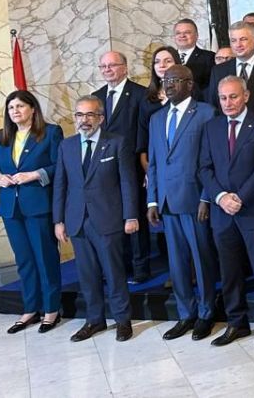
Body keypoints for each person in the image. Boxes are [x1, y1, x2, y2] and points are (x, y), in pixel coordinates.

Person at [198, 76, 254, 348]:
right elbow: (205, 169)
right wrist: (221, 198)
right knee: (230, 271)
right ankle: (237, 323)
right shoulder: (211, 127)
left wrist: (240, 198)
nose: (228, 103)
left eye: (233, 96)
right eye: (223, 98)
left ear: (245, 96)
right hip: (223, 214)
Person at [53, 94, 139, 342]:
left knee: (113, 273)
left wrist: (130, 215)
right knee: (87, 274)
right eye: (80, 114)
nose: (84, 120)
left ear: (101, 118)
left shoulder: (116, 143)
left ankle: (123, 320)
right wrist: (58, 221)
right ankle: (94, 320)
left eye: (90, 114)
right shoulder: (66, 146)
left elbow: (127, 182)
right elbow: (60, 184)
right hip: (77, 221)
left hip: (108, 219)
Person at [145, 65, 218, 341]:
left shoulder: (206, 113)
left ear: (189, 84)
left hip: (195, 200)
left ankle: (206, 313)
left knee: (202, 260)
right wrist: (152, 200)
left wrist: (205, 197)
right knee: (176, 264)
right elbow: (153, 162)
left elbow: (211, 160)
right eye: (166, 80)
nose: (169, 84)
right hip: (166, 201)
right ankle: (185, 314)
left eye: (175, 80)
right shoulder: (157, 118)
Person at [0, 90, 64, 334]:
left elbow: (60, 167)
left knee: (45, 258)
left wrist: (34, 174)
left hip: (38, 206)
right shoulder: (3, 136)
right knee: (24, 261)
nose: (15, 111)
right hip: (11, 208)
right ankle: (30, 309)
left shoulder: (51, 133)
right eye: (11, 108)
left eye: (20, 106)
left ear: (33, 108)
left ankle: (52, 309)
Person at [93, 50, 151, 284]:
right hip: (106, 168)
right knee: (112, 217)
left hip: (132, 165)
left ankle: (140, 268)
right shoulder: (96, 97)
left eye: (112, 65)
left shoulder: (140, 94)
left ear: (125, 68)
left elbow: (143, 131)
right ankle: (118, 266)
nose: (108, 70)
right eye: (103, 66)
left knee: (134, 216)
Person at [206, 20, 254, 114]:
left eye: (243, 39)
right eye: (233, 40)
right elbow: (213, 104)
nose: (238, 45)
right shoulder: (218, 71)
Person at [137, 46, 181, 171]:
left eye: (168, 61)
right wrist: (145, 162)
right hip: (154, 157)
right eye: (157, 62)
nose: (162, 65)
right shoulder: (147, 96)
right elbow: (142, 131)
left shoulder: (189, 92)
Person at [174, 18, 216, 93]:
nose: (182, 35)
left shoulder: (209, 57)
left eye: (187, 32)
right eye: (178, 33)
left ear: (196, 35)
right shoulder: (168, 58)